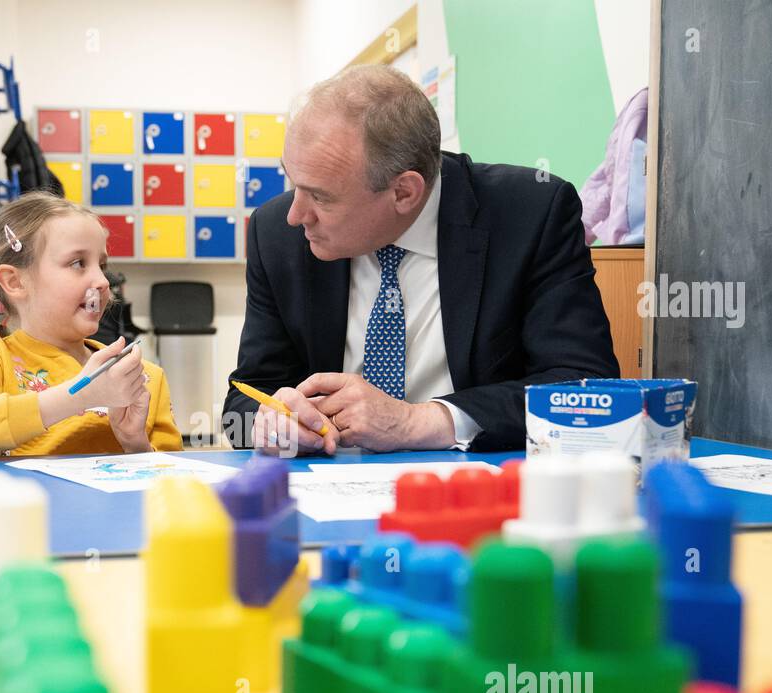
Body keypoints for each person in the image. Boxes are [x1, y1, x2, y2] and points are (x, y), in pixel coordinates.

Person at [224, 65, 619, 455]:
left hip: (476, 487)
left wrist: (418, 422)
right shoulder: (277, 234)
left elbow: (583, 387)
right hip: (328, 488)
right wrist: (270, 421)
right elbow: (242, 401)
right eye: (294, 182)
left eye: (321, 196)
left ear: (404, 193)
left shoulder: (530, 215)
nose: (297, 215)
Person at [0, 193, 182, 459]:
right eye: (78, 263)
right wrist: (77, 396)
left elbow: (174, 481)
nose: (102, 281)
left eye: (102, 265)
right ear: (14, 282)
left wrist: (136, 443)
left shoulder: (140, 377)